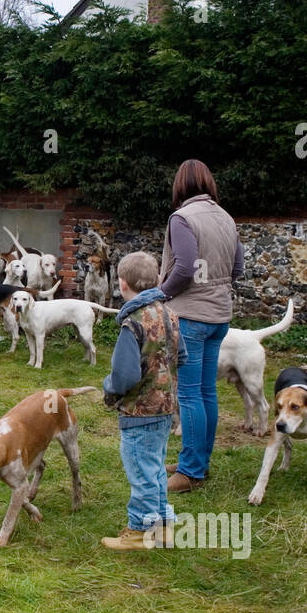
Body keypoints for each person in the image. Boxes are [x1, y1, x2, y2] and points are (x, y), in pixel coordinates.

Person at [158, 159, 244, 493]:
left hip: (191, 317)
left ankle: (190, 471)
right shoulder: (226, 217)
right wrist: (215, 288)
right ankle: (196, 462)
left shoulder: (181, 218)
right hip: (219, 316)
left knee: (189, 394)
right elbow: (237, 268)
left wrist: (160, 294)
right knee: (206, 392)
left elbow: (184, 269)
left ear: (180, 185)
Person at [100, 252, 187, 551]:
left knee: (141, 473)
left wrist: (108, 388)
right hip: (165, 409)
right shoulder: (169, 314)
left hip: (139, 413)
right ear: (157, 281)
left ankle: (140, 531)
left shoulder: (133, 323)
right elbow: (182, 356)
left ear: (122, 285)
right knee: (155, 470)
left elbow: (123, 376)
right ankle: (163, 528)